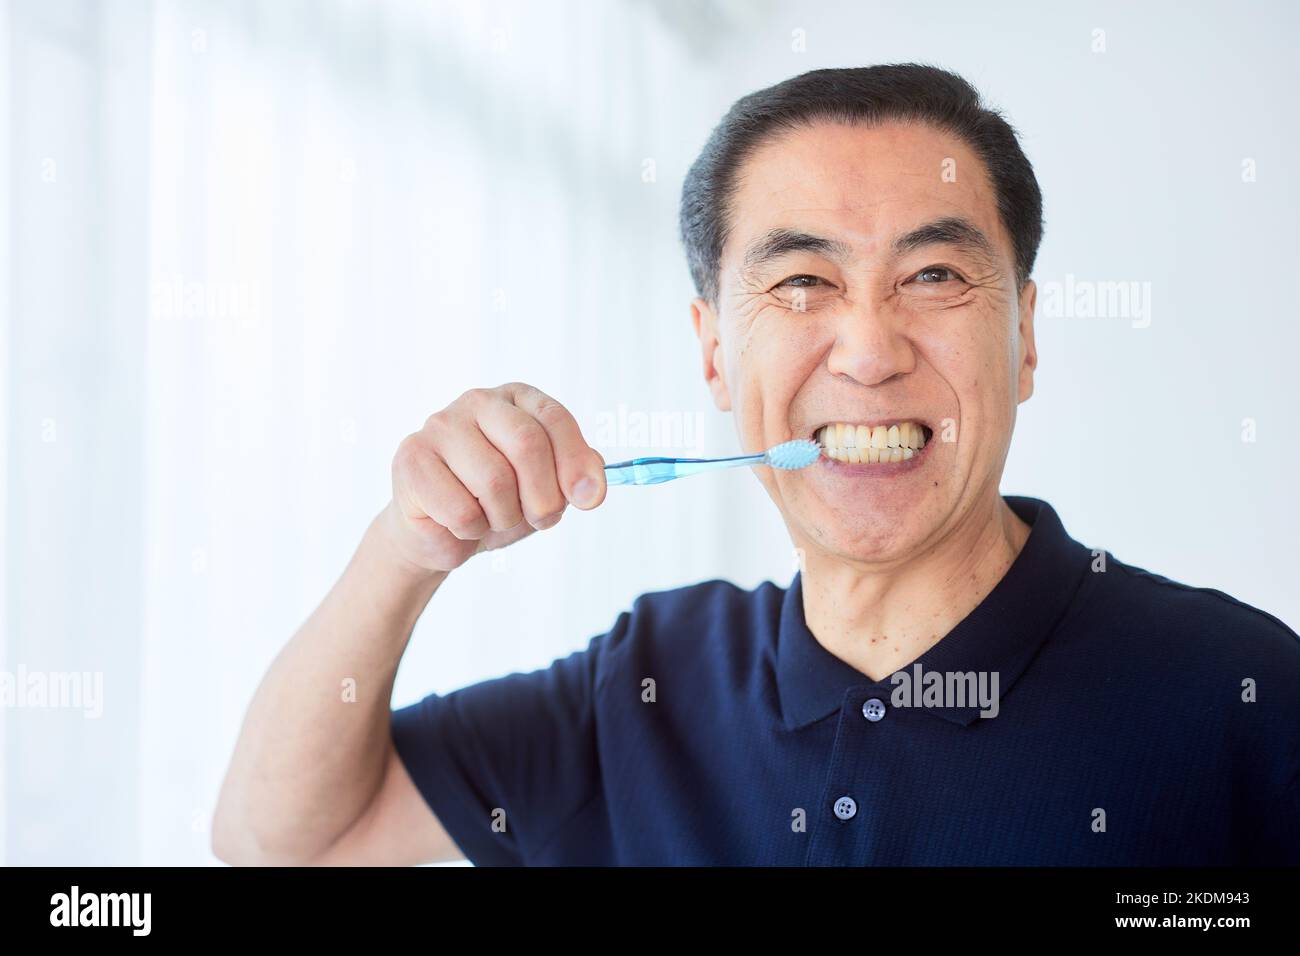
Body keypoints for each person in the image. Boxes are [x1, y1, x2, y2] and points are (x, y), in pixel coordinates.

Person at [212, 64, 1300, 866]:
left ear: (1023, 336)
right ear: (714, 355)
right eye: (801, 284)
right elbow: (285, 842)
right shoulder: (642, 689)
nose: (868, 351)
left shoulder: (1241, 697)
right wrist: (407, 548)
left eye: (931, 275)